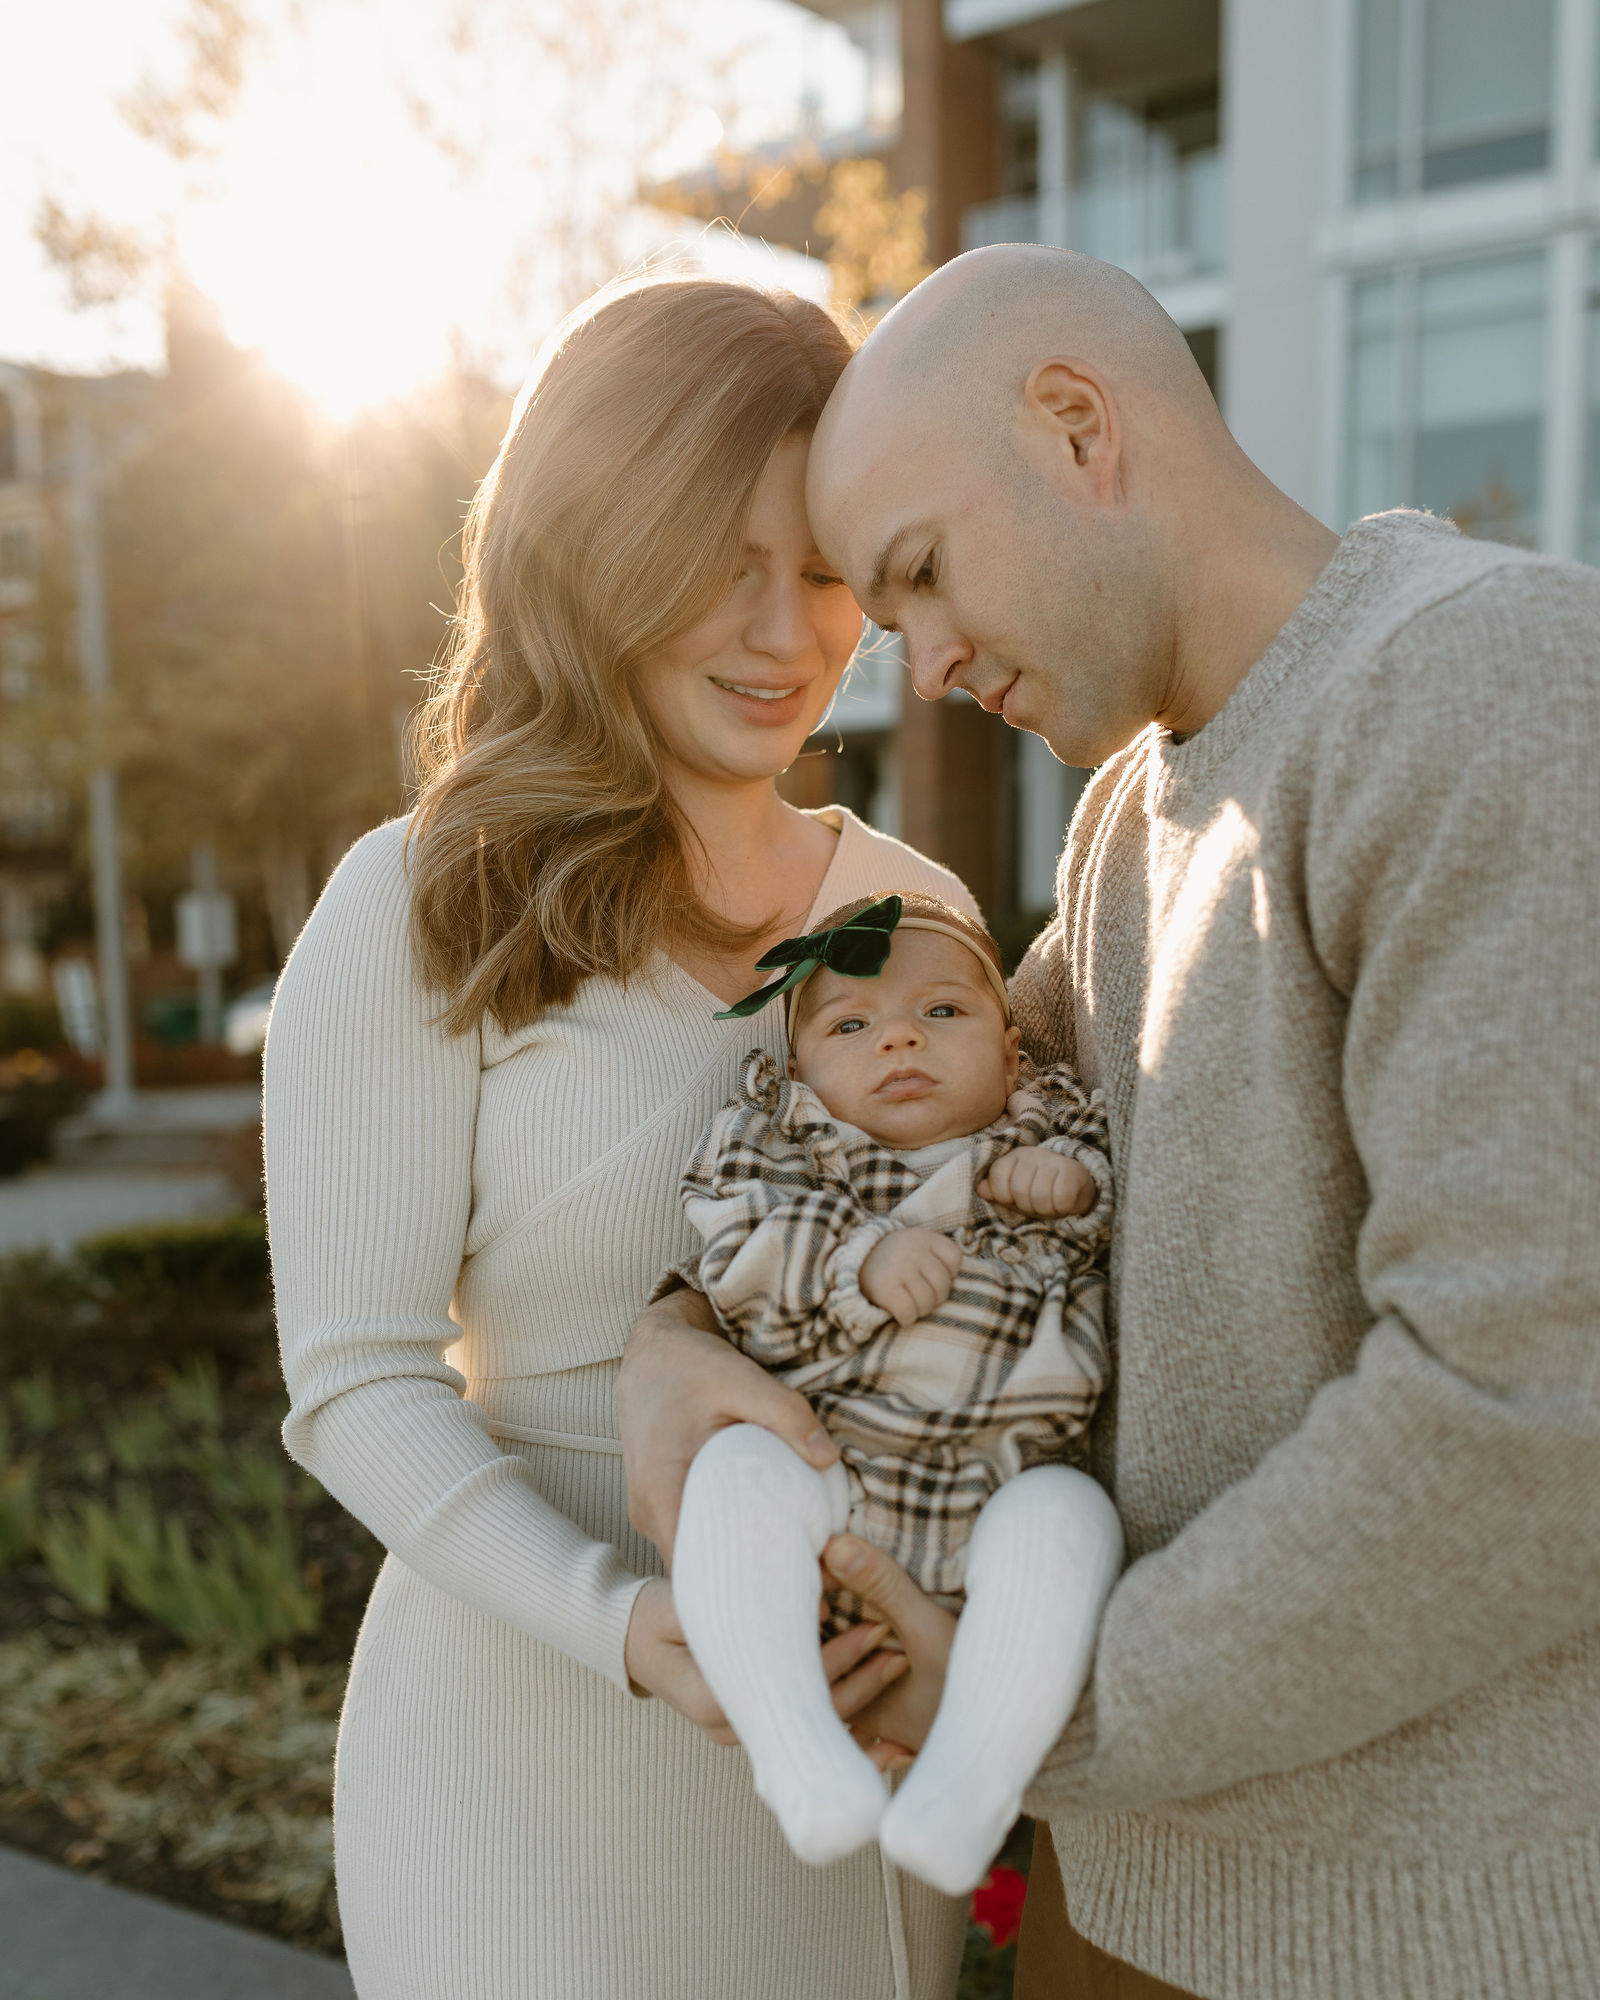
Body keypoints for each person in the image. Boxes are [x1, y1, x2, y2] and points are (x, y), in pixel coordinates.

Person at [619, 245, 1600, 2000]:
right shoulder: (1129, 818)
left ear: (1076, 426)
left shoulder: (1489, 685)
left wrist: (1047, 1707)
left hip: (1411, 1938)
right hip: (1127, 1894)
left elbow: (1529, 1407)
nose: (921, 666)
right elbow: (924, 1134)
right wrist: (680, 1337)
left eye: (922, 573)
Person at [263, 274, 982, 2000]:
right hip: (522, 1752)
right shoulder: (422, 905)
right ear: (592, 550)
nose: (784, 632)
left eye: (821, 568)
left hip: (847, 1755)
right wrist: (632, 1627)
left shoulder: (918, 914)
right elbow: (356, 1377)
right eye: (715, 563)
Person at [667, 890, 1121, 1889]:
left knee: (1072, 1519)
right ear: (800, 1070)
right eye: (850, 1024)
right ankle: (792, 1749)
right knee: (735, 1471)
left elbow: (1106, 1199)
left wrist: (1073, 1182)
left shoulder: (1048, 1128)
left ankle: (969, 1788)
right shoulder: (783, 1142)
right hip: (831, 1476)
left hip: (1001, 1491)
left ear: (1010, 1053)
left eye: (942, 1011)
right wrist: (857, 1258)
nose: (900, 1037)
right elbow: (732, 1249)